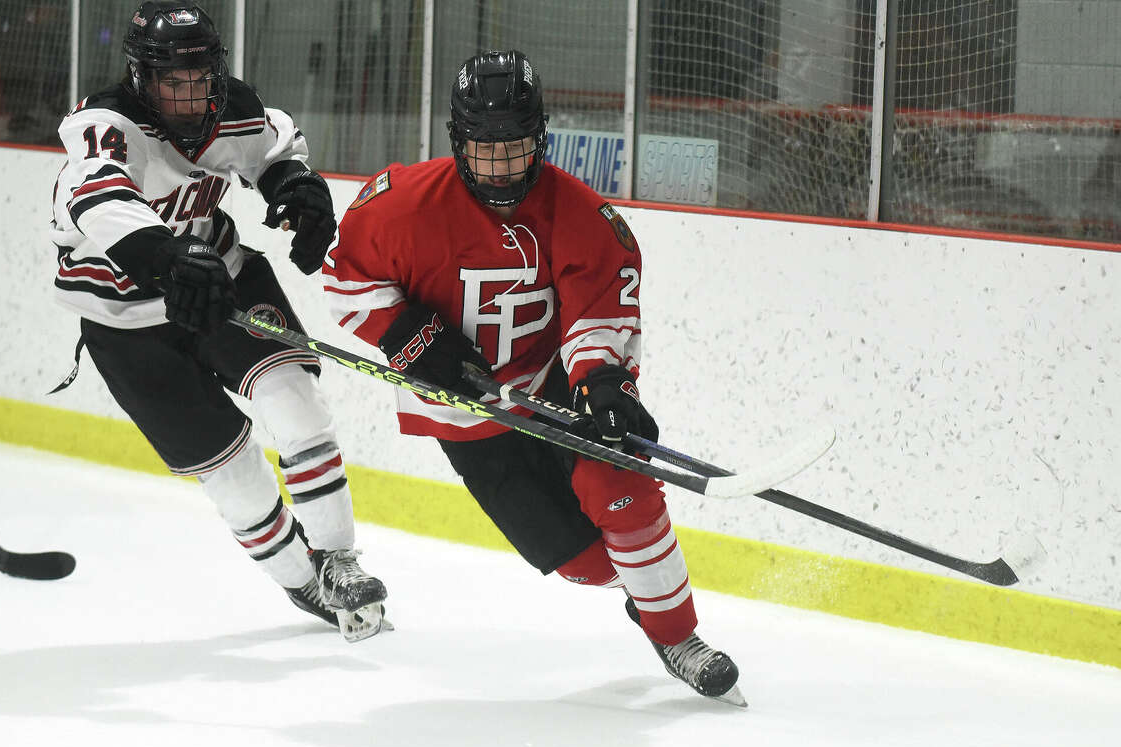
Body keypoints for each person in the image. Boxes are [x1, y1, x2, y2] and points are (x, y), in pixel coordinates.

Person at [322, 50, 744, 701]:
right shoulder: (401, 207)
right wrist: (408, 336)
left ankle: (678, 636)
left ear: (540, 137)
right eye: (485, 151)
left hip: (547, 388)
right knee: (587, 564)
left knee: (619, 480)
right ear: (457, 143)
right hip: (469, 419)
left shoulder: (579, 214)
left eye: (516, 148)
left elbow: (599, 305)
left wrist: (602, 381)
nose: (502, 167)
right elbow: (347, 279)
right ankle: (644, 588)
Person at [49, 2, 388, 642]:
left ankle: (340, 561)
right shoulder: (106, 123)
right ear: (141, 77)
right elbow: (97, 196)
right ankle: (302, 580)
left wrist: (297, 188)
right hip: (119, 313)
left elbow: (272, 150)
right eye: (171, 82)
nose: (187, 94)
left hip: (220, 278)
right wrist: (164, 254)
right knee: (229, 471)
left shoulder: (231, 107)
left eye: (198, 79)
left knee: (293, 398)